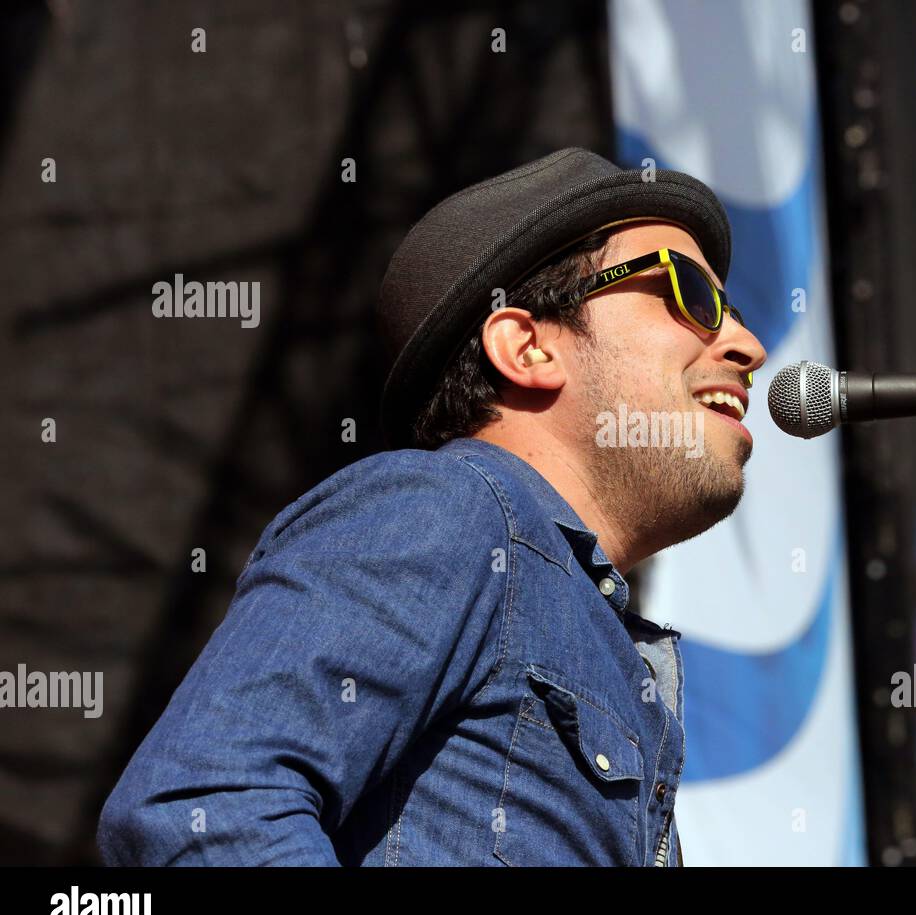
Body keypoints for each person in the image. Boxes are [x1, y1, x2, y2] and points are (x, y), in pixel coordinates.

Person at [97, 147, 766, 866]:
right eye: (692, 295)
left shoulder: (588, 622)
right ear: (527, 347)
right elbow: (202, 809)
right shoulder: (449, 509)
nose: (747, 345)